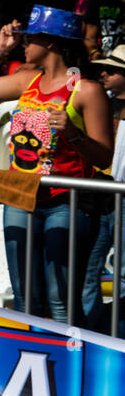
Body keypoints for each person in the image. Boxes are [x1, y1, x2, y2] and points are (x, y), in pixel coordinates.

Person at [0, 6, 113, 324]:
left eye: (29, 38)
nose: (23, 44)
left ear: (53, 43)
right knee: (24, 298)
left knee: (60, 301)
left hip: (66, 201)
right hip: (21, 195)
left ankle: (66, 368)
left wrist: (72, 135)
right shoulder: (27, 81)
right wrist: (0, 50)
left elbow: (103, 158)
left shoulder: (87, 90)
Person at [81, 45, 125, 334]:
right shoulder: (102, 100)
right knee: (87, 273)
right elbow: (71, 77)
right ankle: (88, 337)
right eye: (102, 68)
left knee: (122, 278)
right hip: (103, 200)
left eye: (112, 68)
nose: (103, 72)